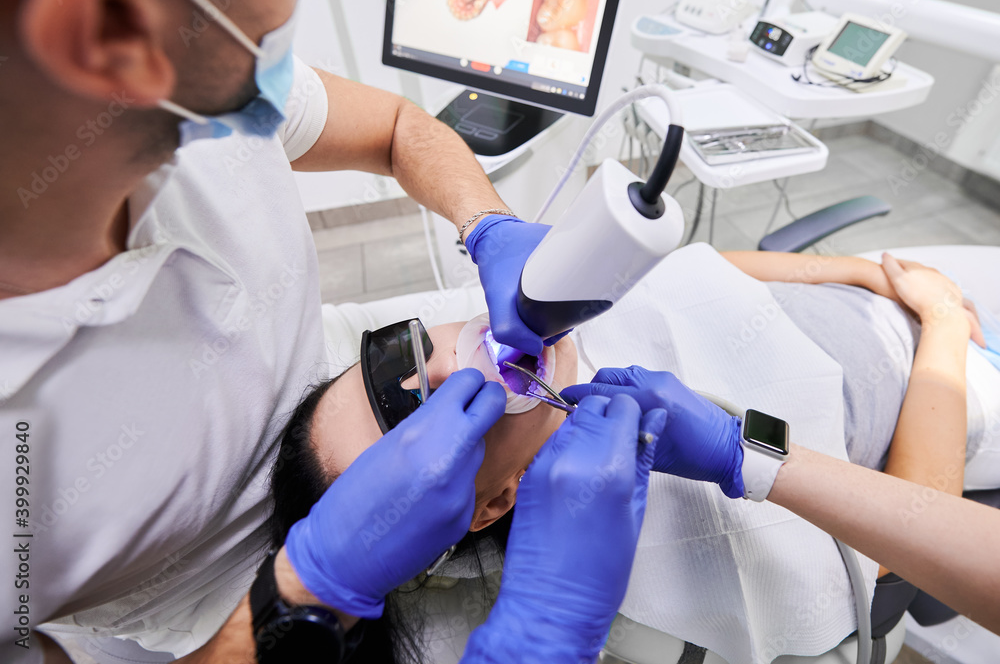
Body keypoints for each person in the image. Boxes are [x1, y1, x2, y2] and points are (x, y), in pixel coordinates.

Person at [0, 0, 559, 660]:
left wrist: (489, 224)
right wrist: (302, 594)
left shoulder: (201, 86)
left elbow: (403, 127)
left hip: (330, 390)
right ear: (116, 22)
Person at [266, 250, 1000, 661]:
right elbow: (910, 543)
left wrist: (859, 271)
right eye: (442, 423)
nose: (466, 358)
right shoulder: (654, 576)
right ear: (496, 499)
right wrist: (936, 320)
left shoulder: (549, 312)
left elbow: (698, 268)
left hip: (880, 289)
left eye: (408, 351)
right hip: (956, 373)